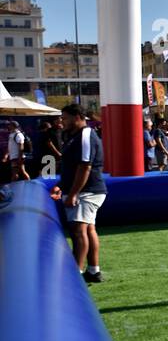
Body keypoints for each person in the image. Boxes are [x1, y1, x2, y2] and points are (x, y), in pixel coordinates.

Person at [49, 103, 108, 283]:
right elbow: (73, 167)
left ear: (77, 117)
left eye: (65, 118)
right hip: (85, 190)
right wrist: (62, 185)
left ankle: (76, 275)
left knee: (78, 231)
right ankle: (93, 270)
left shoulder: (85, 135)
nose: (62, 121)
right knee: (88, 229)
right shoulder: (73, 136)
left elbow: (85, 167)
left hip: (87, 191)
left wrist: (74, 193)